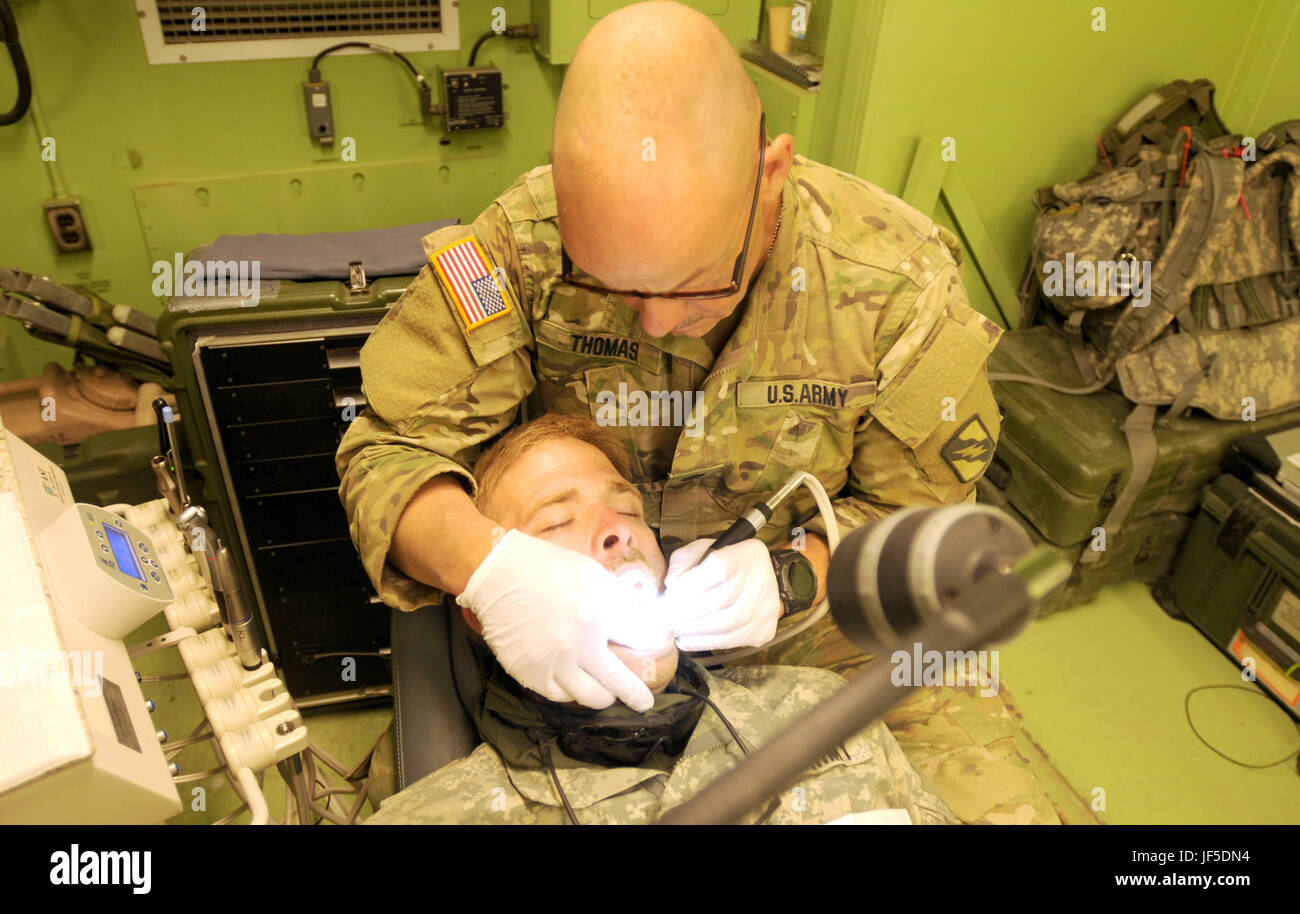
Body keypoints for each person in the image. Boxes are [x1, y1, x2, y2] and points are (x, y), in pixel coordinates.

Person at [335, 0, 1004, 713]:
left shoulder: (897, 287)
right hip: (573, 673)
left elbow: (932, 526)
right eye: (611, 284)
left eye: (695, 283)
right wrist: (488, 567)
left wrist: (796, 574)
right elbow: (387, 455)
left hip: (831, 659)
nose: (655, 322)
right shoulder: (521, 245)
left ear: (769, 172)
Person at [363, 414, 958, 825]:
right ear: (488, 609)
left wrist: (796, 572)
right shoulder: (444, 811)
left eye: (625, 506)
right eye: (554, 521)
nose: (619, 527)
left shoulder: (822, 711)